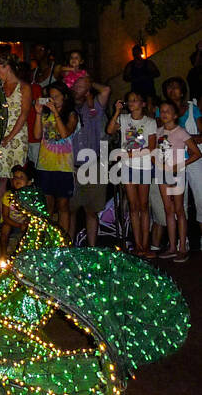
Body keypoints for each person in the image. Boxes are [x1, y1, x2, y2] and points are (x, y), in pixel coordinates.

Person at [106, 91, 157, 256]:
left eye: (136, 100)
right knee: (133, 207)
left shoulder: (149, 122)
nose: (132, 102)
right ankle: (138, 245)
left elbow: (150, 147)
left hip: (144, 166)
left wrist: (128, 154)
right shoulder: (124, 118)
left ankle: (146, 244)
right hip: (128, 167)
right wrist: (117, 111)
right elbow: (109, 130)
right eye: (130, 100)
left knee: (143, 206)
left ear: (142, 104)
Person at [155, 100, 201, 262]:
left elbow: (196, 153)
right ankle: (172, 247)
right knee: (168, 210)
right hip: (162, 174)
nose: (164, 113)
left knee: (179, 209)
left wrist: (180, 165)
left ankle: (182, 247)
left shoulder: (181, 132)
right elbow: (156, 152)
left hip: (177, 174)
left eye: (168, 111)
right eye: (162, 110)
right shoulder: (159, 131)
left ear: (175, 115)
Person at [68, 71, 111, 247]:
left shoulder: (93, 108)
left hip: (94, 164)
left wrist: (88, 81)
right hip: (70, 166)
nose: (79, 86)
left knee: (91, 211)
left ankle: (92, 247)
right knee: (69, 210)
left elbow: (106, 90)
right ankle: (68, 247)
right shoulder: (67, 108)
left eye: (82, 83)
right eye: (76, 83)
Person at [161, 78, 202, 247]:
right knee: (179, 202)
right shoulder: (162, 110)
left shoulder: (193, 109)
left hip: (193, 158)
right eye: (168, 87)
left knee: (200, 196)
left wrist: (183, 138)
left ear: (183, 90)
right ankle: (180, 241)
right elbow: (162, 135)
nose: (171, 90)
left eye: (175, 87)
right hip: (173, 160)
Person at [33, 81, 77, 235]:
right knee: (47, 206)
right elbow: (37, 135)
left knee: (63, 205)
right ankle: (47, 239)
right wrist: (38, 113)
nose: (53, 100)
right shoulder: (46, 114)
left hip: (63, 166)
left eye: (56, 97)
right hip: (45, 166)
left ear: (64, 97)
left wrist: (56, 113)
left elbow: (65, 133)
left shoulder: (71, 114)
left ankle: (63, 241)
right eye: (51, 97)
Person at [0, 50, 31, 206]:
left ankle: (18, 213)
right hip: (0, 135)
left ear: (7, 67)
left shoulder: (23, 87)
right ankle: (1, 215)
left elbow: (24, 114)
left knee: (16, 177)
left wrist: (10, 137)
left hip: (17, 136)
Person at [27, 45, 56, 165]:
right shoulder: (34, 73)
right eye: (36, 49)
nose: (38, 52)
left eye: (41, 49)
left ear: (48, 51)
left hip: (51, 117)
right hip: (36, 117)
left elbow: (59, 96)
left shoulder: (56, 69)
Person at [0, 162, 34, 260]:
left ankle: (23, 257)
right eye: (15, 177)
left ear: (29, 182)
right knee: (5, 228)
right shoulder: (8, 195)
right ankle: (3, 256)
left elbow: (33, 215)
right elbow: (5, 217)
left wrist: (25, 223)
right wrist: (18, 225)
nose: (17, 180)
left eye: (21, 177)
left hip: (24, 223)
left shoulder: (31, 197)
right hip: (11, 222)